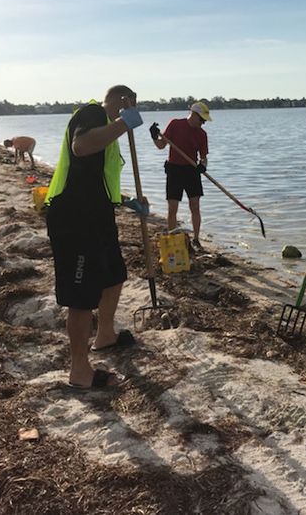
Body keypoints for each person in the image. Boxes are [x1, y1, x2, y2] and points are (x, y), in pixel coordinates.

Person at [44, 84, 149, 390]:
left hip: (98, 215)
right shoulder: (92, 114)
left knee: (115, 275)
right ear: (119, 100)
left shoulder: (108, 129)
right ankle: (79, 370)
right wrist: (122, 123)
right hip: (73, 218)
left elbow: (97, 177)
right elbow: (81, 147)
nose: (127, 111)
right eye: (126, 105)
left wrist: (127, 201)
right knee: (81, 294)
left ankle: (105, 336)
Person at [148, 101, 211, 250]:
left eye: (204, 121)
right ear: (193, 115)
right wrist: (154, 136)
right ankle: (171, 237)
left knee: (195, 206)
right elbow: (161, 145)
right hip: (174, 170)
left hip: (192, 170)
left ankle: (196, 239)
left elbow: (203, 157)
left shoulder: (202, 134)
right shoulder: (175, 124)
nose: (203, 123)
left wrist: (202, 166)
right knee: (172, 207)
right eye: (201, 119)